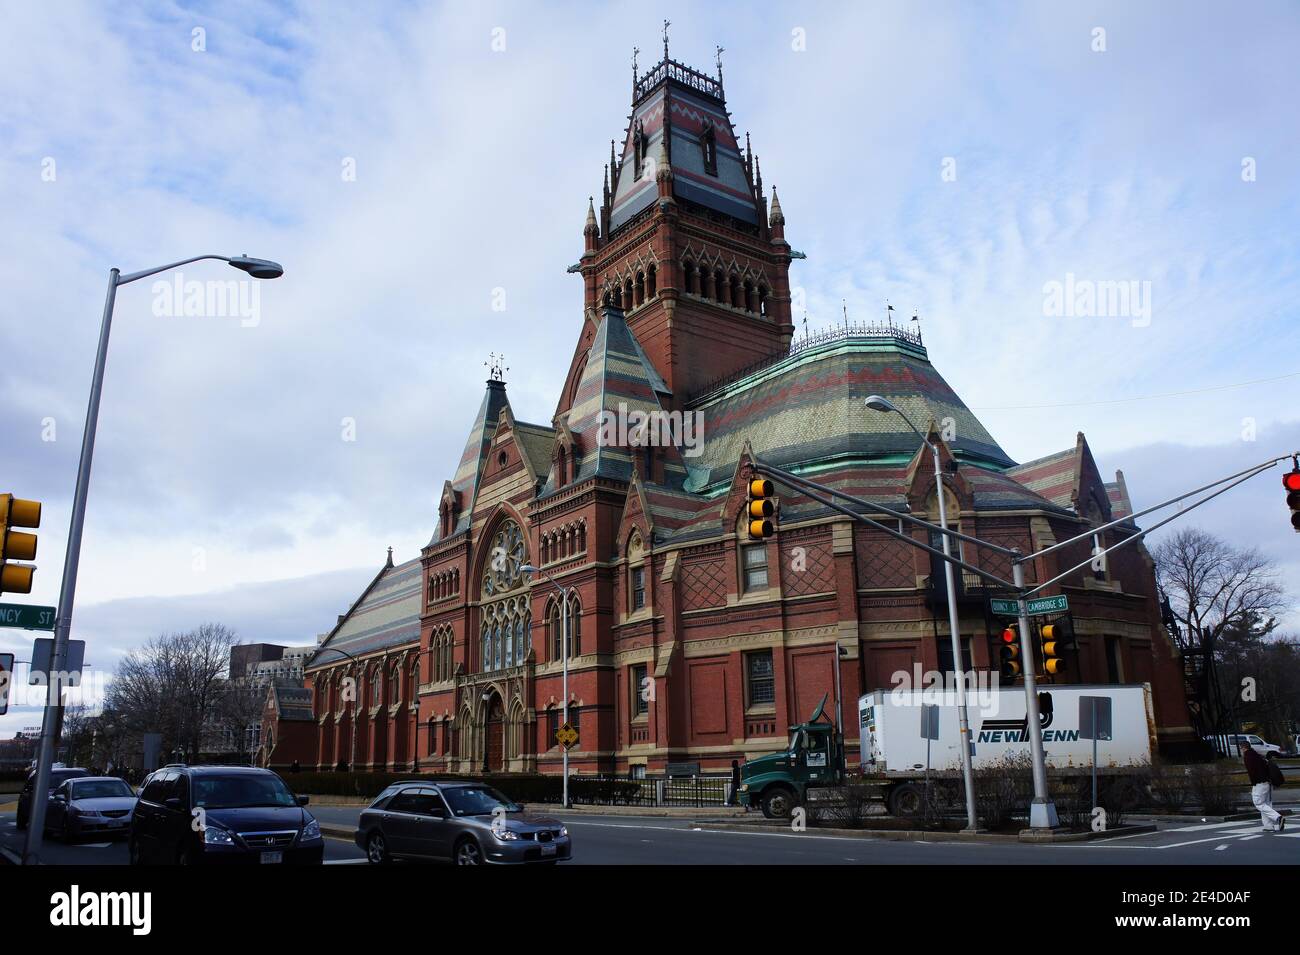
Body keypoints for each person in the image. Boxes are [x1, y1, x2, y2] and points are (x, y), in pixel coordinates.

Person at [1240, 740, 1284, 832]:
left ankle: (1278, 817)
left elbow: (1252, 772)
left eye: (1241, 748)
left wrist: (1254, 783)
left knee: (1258, 803)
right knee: (1266, 804)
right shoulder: (1257, 755)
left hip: (1259, 783)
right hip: (1268, 782)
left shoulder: (1248, 756)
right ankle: (1268, 826)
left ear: (1243, 748)